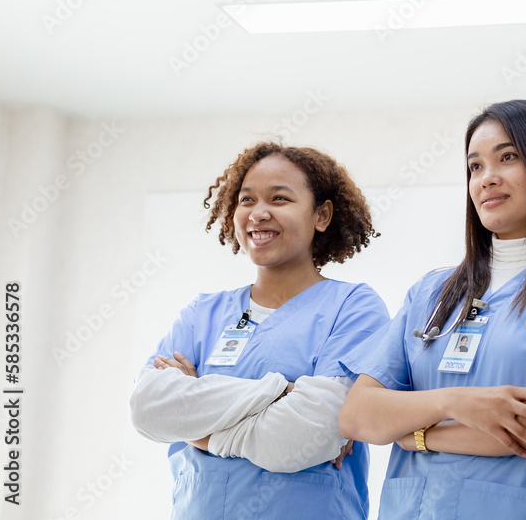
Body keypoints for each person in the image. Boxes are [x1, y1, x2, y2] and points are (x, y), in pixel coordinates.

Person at [339, 100, 526, 520]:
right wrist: (454, 402)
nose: (487, 178)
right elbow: (358, 416)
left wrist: (414, 435)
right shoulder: (432, 292)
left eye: (508, 157)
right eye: (475, 166)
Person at [129, 142, 390, 520]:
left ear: (321, 215)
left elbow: (310, 432)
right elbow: (148, 409)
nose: (258, 213)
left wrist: (198, 426)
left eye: (279, 198)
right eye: (247, 200)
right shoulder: (203, 312)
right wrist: (281, 391)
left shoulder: (353, 308)